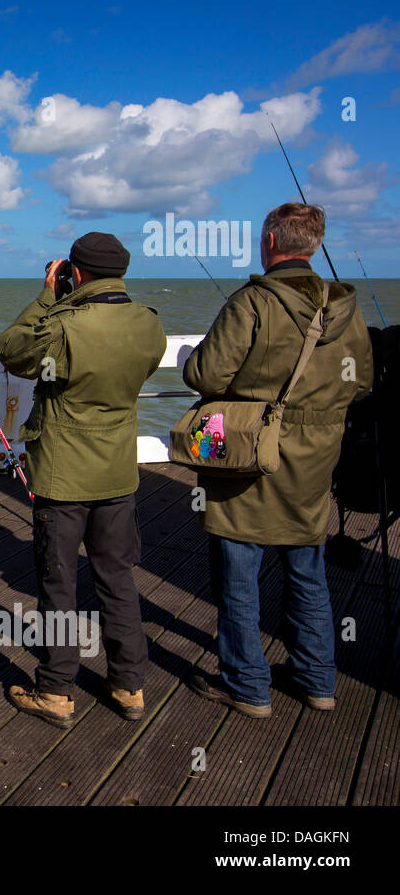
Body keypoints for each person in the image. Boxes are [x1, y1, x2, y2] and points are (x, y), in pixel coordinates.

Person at [182, 203, 372, 717]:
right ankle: (317, 681)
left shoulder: (253, 301)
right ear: (314, 245)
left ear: (269, 241)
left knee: (238, 572)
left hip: (249, 453)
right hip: (316, 457)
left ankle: (247, 686)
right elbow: (362, 382)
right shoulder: (346, 308)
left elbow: (205, 375)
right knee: (306, 569)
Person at [0, 233, 166, 727]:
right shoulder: (149, 324)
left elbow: (11, 349)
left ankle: (56, 690)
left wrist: (48, 295)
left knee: (60, 583)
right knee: (117, 578)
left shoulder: (65, 325)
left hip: (63, 476)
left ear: (77, 272)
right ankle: (129, 685)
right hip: (117, 472)